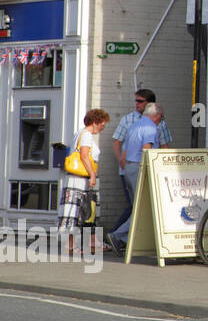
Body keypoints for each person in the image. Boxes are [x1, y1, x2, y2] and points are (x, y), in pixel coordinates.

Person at [110, 89, 172, 242]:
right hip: (140, 168)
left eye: (140, 101)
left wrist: (125, 166)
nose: (161, 120)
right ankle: (117, 237)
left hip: (129, 168)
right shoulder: (151, 128)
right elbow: (147, 151)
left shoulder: (134, 126)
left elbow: (124, 150)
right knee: (143, 207)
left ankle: (127, 239)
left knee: (137, 206)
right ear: (156, 115)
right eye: (160, 117)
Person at [57, 109, 109, 255]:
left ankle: (90, 242)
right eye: (102, 124)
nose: (103, 127)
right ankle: (71, 245)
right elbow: (84, 156)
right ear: (95, 122)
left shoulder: (80, 133)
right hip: (80, 180)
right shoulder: (86, 135)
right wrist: (92, 174)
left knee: (84, 211)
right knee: (78, 210)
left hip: (77, 179)